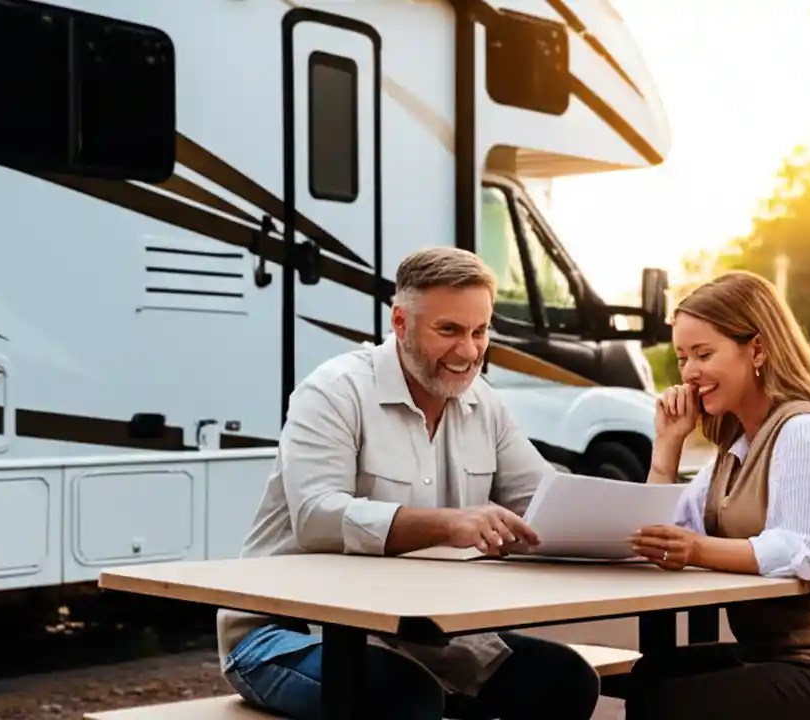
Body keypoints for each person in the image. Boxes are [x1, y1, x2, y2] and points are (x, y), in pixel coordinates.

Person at [216, 247, 600, 720]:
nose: (469, 351)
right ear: (400, 322)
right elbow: (316, 517)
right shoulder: (333, 392)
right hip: (288, 633)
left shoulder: (485, 404)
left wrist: (627, 515)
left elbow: (545, 501)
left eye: (480, 331)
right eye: (449, 331)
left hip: (417, 633)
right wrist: (447, 525)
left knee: (565, 682)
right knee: (405, 698)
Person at [625, 270, 810, 720]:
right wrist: (666, 450)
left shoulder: (804, 433)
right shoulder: (735, 450)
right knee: (653, 675)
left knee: (673, 703)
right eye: (683, 358)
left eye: (704, 354)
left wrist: (697, 550)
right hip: (785, 657)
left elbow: (804, 553)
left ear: (757, 349)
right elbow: (661, 533)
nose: (690, 373)